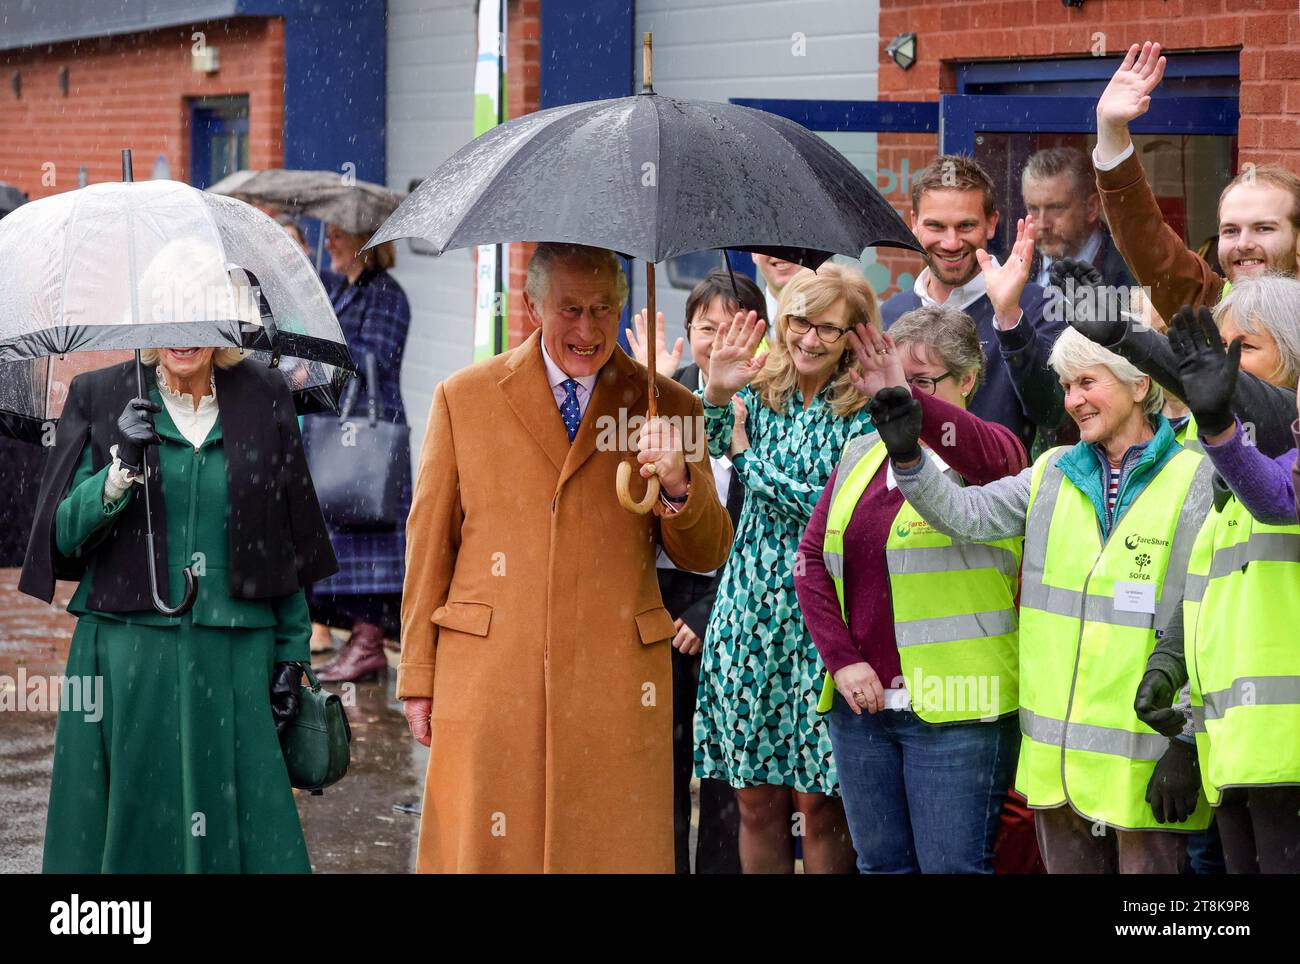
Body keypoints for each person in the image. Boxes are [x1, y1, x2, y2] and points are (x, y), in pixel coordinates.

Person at [398, 243, 731, 873]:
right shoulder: (463, 397)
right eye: (570, 309)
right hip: (494, 671)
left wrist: (680, 484)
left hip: (613, 680)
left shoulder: (670, 406)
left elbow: (708, 550)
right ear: (531, 305)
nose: (588, 328)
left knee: (606, 849)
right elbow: (429, 547)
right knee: (491, 850)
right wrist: (417, 676)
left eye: (604, 308)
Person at [882, 326, 1215, 873]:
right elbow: (968, 516)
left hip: (1147, 760)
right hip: (1055, 768)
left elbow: (1204, 620)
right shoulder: (1052, 471)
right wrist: (910, 460)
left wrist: (1186, 740)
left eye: (1088, 382)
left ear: (1137, 386)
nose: (1073, 400)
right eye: (1065, 386)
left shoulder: (1196, 477)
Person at [20, 330, 337, 871]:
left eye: (197, 321)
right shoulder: (99, 395)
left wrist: (292, 653)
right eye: (169, 319)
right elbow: (64, 535)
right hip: (126, 653)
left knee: (242, 818)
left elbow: (287, 542)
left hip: (236, 652)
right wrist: (120, 467)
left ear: (222, 329)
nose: (182, 338)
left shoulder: (264, 394)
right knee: (137, 815)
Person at [794, 306, 1027, 873]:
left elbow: (987, 456)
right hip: (864, 710)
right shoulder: (859, 454)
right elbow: (809, 562)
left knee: (952, 868)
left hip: (959, 709)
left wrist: (911, 405)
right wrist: (843, 661)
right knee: (881, 867)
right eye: (891, 378)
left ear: (968, 382)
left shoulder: (996, 453)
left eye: (920, 381)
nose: (900, 395)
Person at [694, 263, 879, 874]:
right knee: (754, 802)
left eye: (828, 328)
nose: (808, 338)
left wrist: (747, 458)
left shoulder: (863, 410)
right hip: (747, 613)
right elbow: (710, 443)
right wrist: (716, 394)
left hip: (822, 622)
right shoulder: (762, 387)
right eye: (799, 321)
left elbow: (826, 509)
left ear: (853, 334)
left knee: (822, 805)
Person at [1133, 284, 1300, 874]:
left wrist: (1130, 338)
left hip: (1289, 758)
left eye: (1242, 348)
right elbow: (1202, 598)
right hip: (1232, 752)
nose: (1220, 364)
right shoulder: (1219, 484)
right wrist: (1167, 666)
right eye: (1214, 348)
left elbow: (1279, 498)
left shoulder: (1274, 462)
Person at [627, 270, 762, 874]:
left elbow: (760, 526)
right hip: (660, 598)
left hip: (734, 603)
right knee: (659, 765)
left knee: (729, 777)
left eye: (735, 325)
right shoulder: (666, 395)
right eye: (707, 326)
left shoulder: (772, 406)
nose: (719, 339)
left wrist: (710, 611)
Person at [1095, 41, 1300, 321]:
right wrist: (1109, 130)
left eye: (1263, 228)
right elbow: (1144, 239)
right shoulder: (1210, 306)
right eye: (1230, 231)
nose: (1243, 243)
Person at [881, 154, 1067, 454]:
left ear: (991, 224)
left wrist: (1009, 319)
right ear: (914, 224)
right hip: (903, 492)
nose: (951, 242)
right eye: (936, 226)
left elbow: (1052, 413)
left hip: (998, 495)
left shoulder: (1038, 307)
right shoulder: (890, 314)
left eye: (965, 226)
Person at [304, 224, 412, 682]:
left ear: (366, 242)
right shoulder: (342, 289)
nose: (329, 242)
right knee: (343, 537)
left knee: (371, 536)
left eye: (339, 236)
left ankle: (369, 643)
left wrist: (327, 347)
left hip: (371, 436)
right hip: (341, 431)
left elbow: (379, 358)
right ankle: (358, 641)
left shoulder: (388, 294)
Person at [1021, 146, 1135, 291]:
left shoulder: (1132, 273)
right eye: (1033, 209)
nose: (1043, 224)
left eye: (1056, 208)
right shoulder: (1011, 270)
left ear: (1092, 207)